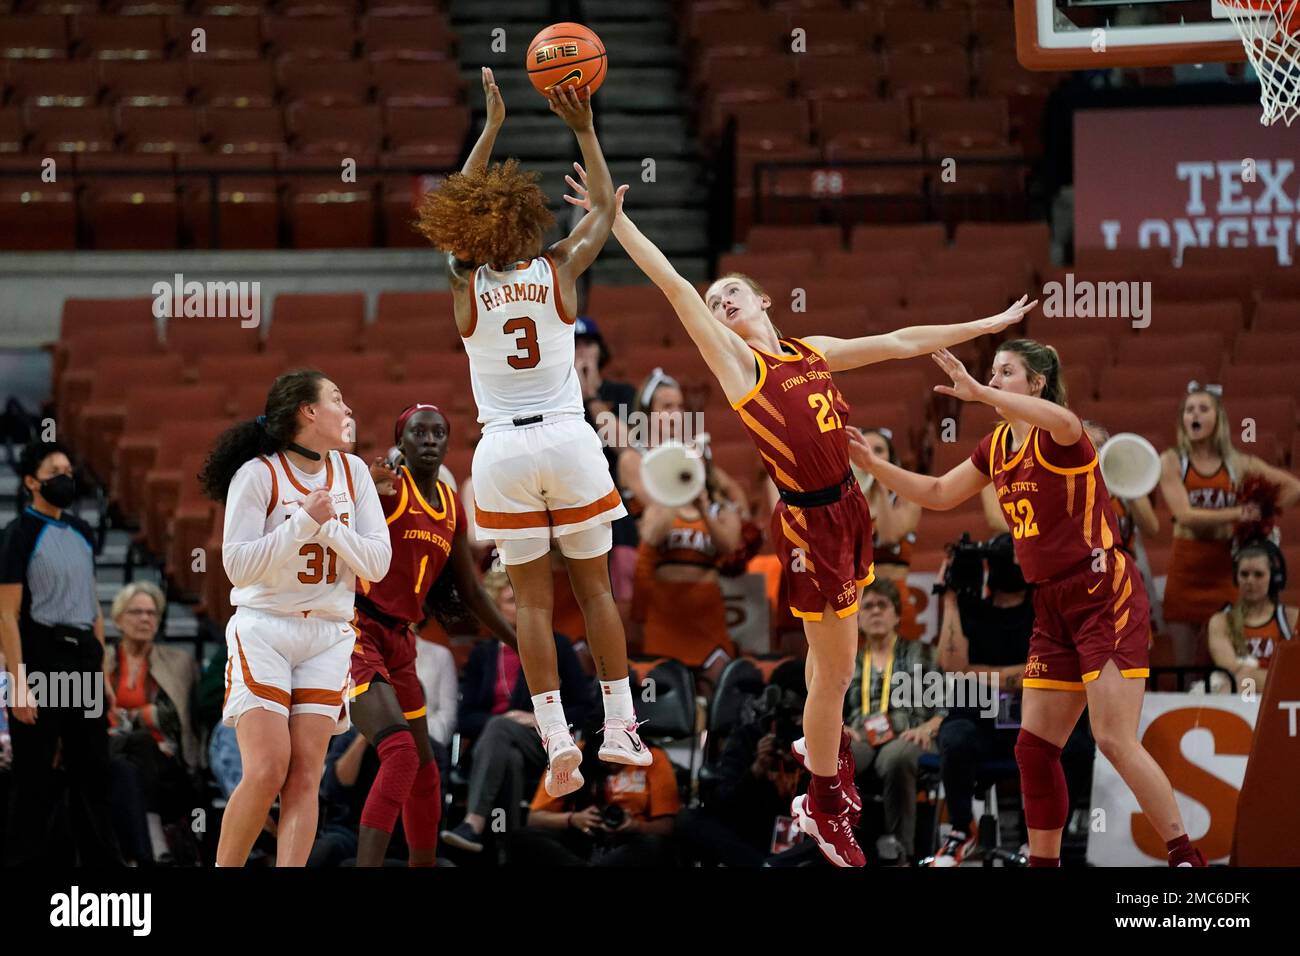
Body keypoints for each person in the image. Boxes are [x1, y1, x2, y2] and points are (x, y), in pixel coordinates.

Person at [564, 162, 1034, 866]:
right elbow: (674, 285)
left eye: (732, 297)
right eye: (717, 302)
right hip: (810, 524)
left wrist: (986, 326)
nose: (720, 305)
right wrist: (619, 219)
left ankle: (824, 775)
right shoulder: (738, 367)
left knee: (827, 670)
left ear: (763, 300)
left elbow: (903, 341)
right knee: (835, 672)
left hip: (850, 509)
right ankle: (821, 798)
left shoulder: (811, 352)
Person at [847, 338, 1208, 867]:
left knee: (1112, 738)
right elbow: (941, 493)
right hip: (1054, 602)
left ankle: (1185, 859)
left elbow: (1062, 420)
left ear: (1036, 383)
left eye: (1005, 373)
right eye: (990, 374)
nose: (993, 383)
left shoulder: (1063, 434)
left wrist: (970, 391)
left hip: (1103, 591)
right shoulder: (996, 446)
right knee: (1034, 748)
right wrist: (870, 466)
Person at [416, 67, 649, 800]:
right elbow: (607, 212)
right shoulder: (557, 270)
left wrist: (489, 128)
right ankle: (619, 725)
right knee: (597, 594)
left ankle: (554, 736)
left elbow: (455, 208)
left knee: (536, 604)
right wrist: (583, 129)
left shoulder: (466, 282)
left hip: (503, 453)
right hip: (569, 440)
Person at [200, 368, 391, 867]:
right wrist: (303, 523)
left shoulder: (353, 475)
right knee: (266, 769)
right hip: (265, 625)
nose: (347, 409)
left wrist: (327, 530)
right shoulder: (258, 474)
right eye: (337, 398)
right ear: (308, 411)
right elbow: (236, 565)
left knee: (306, 776)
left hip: (328, 633)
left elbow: (376, 563)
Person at [348, 403, 516, 867]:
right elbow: (351, 488)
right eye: (418, 432)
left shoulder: (451, 508)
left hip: (403, 641)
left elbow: (475, 594)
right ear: (401, 441)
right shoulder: (386, 488)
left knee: (425, 770)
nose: (429, 440)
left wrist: (521, 643)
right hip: (357, 628)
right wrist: (371, 476)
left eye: (439, 433)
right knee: (400, 755)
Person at [1, 440, 121, 866]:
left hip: (84, 660)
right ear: (32, 481)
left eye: (68, 470)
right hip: (41, 661)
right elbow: (7, 614)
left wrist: (104, 673)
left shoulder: (82, 532)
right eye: (54, 471)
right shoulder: (17, 536)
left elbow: (92, 606)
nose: (65, 478)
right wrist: (17, 684)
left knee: (94, 779)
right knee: (33, 783)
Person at [441, 569, 592, 854]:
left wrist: (538, 719)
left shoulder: (557, 645)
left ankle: (473, 823)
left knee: (501, 730)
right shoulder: (483, 655)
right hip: (494, 748)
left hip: (545, 743)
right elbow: (466, 717)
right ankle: (507, 851)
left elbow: (583, 707)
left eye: (522, 598)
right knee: (507, 755)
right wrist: (504, 721)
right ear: (495, 608)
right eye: (511, 600)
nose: (519, 606)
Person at [1158, 382, 1300, 666]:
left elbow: (1294, 488)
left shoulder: (1238, 463)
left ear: (1218, 418)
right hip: (1186, 568)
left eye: (1202, 409)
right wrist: (1238, 514)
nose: (1194, 415)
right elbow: (1185, 515)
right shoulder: (1172, 460)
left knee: (1222, 662)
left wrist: (1262, 514)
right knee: (1184, 668)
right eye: (1188, 410)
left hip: (1225, 569)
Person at [932, 534, 1033, 866]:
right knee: (954, 735)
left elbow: (1038, 671)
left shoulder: (1041, 606)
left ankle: (1036, 838)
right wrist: (949, 599)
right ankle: (961, 830)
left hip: (1030, 717)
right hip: (978, 719)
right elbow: (950, 666)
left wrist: (975, 672)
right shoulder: (970, 607)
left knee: (1072, 744)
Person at [839, 578, 944, 866]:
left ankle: (900, 853)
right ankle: (837, 847)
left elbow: (946, 706)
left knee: (896, 757)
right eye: (868, 606)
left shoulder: (923, 654)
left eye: (882, 605)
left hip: (912, 734)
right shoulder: (849, 662)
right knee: (834, 756)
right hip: (862, 735)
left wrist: (928, 727)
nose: (875, 612)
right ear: (858, 619)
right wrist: (840, 728)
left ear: (897, 615)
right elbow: (832, 706)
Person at [677, 660, 815, 867]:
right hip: (752, 833)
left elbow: (838, 811)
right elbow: (725, 803)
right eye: (791, 715)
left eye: (801, 716)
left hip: (804, 836)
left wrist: (806, 768)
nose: (796, 724)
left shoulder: (826, 743)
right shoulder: (748, 738)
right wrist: (756, 770)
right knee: (689, 821)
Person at [105, 581, 199, 864]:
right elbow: (88, 712)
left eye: (152, 613)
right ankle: (152, 838)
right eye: (137, 612)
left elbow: (172, 715)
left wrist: (124, 717)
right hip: (111, 753)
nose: (146, 618)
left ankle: (132, 852)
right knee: (129, 759)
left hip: (165, 762)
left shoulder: (178, 663)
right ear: (119, 619)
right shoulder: (100, 661)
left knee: (139, 747)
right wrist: (143, 715)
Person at [509, 712, 679, 867]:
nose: (613, 764)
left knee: (656, 846)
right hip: (580, 839)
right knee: (521, 839)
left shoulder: (653, 757)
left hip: (630, 842)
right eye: (606, 758)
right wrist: (573, 819)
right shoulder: (572, 755)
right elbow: (534, 818)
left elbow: (667, 827)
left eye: (621, 757)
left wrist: (634, 826)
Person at [854, 427, 922, 638]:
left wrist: (882, 487)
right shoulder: (845, 500)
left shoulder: (907, 496)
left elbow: (888, 536)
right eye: (865, 449)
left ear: (891, 458)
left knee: (903, 665)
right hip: (856, 599)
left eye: (878, 450)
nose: (871, 455)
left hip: (895, 597)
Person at [1208, 541, 1296, 693]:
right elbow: (1229, 666)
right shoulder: (1221, 621)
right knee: (1242, 679)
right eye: (1244, 574)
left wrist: (1254, 675)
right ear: (1236, 578)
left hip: (1282, 693)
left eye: (1258, 574)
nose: (1250, 581)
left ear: (1273, 578)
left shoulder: (1291, 618)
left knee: (1246, 677)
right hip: (1243, 690)